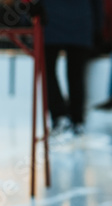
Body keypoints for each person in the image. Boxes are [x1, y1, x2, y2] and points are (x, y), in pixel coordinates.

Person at [43, 0, 104, 134]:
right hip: (81, 21)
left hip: (50, 20)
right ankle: (77, 119)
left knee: (48, 72)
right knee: (76, 74)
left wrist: (28, 19)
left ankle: (59, 115)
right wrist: (98, 27)